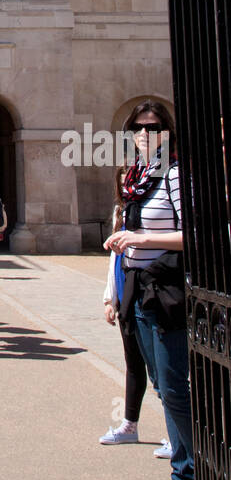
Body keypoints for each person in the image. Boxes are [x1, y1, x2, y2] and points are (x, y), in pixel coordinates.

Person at [104, 101, 194, 480]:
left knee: (176, 388)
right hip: (137, 288)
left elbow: (196, 234)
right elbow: (134, 229)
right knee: (162, 384)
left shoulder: (174, 175)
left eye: (154, 127)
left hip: (167, 286)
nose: (145, 134)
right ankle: (183, 479)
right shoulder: (138, 179)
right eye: (137, 129)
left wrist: (138, 239)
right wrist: (121, 240)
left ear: (167, 132)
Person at [100, 164, 168, 456]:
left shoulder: (150, 213)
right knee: (134, 365)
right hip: (125, 292)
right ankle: (130, 424)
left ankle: (175, 434)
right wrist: (109, 299)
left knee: (161, 371)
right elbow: (115, 262)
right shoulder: (123, 212)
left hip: (150, 292)